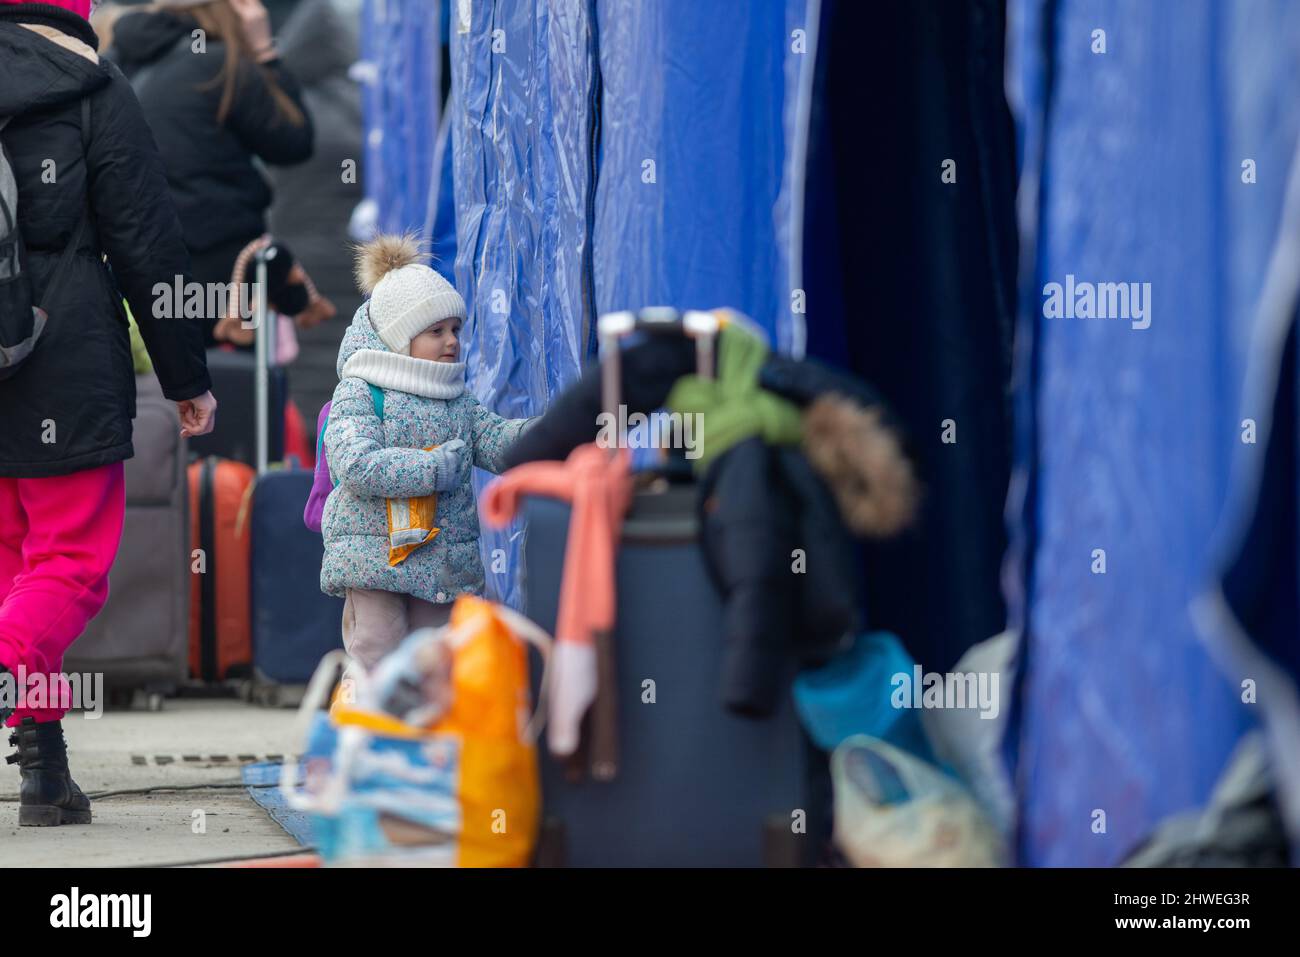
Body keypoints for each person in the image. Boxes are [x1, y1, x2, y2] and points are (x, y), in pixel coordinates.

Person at [0, 0, 216, 825]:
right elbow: (147, 239)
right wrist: (185, 371)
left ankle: (45, 775)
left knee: (16, 578)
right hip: (64, 360)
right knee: (67, 571)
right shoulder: (93, 87)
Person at [319, 235, 532, 672]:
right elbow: (355, 464)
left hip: (441, 568)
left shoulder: (454, 397)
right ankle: (371, 737)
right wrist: (432, 469)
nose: (451, 341)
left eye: (455, 329)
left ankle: (427, 740)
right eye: (436, 331)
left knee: (437, 670)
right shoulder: (361, 390)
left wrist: (549, 433)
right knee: (376, 658)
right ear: (399, 339)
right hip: (373, 562)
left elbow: (493, 439)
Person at [106, 0, 316, 346]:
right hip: (223, 274)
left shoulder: (117, 59)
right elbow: (294, 142)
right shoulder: (222, 63)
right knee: (234, 388)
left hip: (130, 264)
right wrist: (265, 51)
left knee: (154, 387)